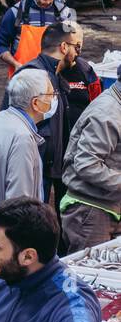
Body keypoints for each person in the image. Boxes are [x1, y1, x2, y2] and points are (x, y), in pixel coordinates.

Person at [0, 68, 55, 289]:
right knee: (0, 299)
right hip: (2, 238)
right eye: (51, 95)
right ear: (36, 103)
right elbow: (20, 201)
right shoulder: (22, 137)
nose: (54, 100)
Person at [2, 20, 82, 218]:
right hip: (36, 170)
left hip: (55, 167)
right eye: (76, 46)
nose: (78, 53)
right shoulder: (32, 75)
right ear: (64, 47)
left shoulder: (55, 74)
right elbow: (9, 121)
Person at [60, 80, 121, 251]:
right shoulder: (107, 114)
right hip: (91, 212)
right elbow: (87, 165)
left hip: (109, 207)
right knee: (91, 276)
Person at [0, 0, 75, 75]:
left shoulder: (65, 13)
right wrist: (15, 64)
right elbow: (0, 45)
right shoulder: (15, 12)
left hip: (54, 78)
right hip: (22, 77)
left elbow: (73, 45)